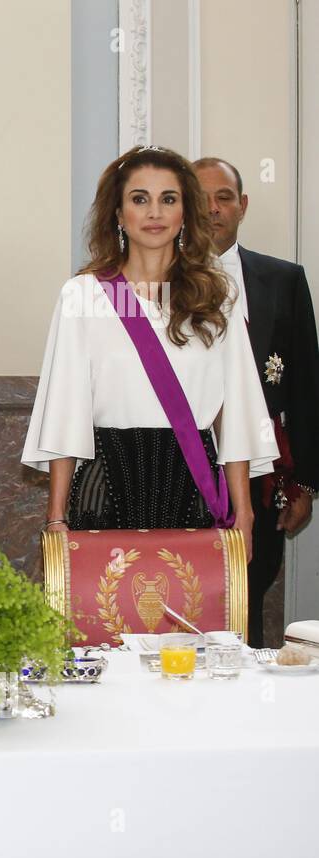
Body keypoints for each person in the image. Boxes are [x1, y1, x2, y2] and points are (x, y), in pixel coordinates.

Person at [23, 145, 276, 548]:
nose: (155, 212)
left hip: (195, 488)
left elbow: (237, 409)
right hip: (104, 488)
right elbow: (66, 410)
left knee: (191, 609)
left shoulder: (217, 295)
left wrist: (243, 512)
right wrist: (56, 519)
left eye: (168, 199)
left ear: (184, 213)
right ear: (120, 215)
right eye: (140, 199)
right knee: (103, 611)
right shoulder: (84, 295)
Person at [194, 156, 319, 646]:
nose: (212, 210)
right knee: (187, 593)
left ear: (242, 205)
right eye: (200, 199)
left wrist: (306, 483)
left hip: (265, 471)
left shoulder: (283, 279)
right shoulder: (155, 281)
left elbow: (306, 385)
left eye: (224, 197)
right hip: (178, 466)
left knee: (248, 589)